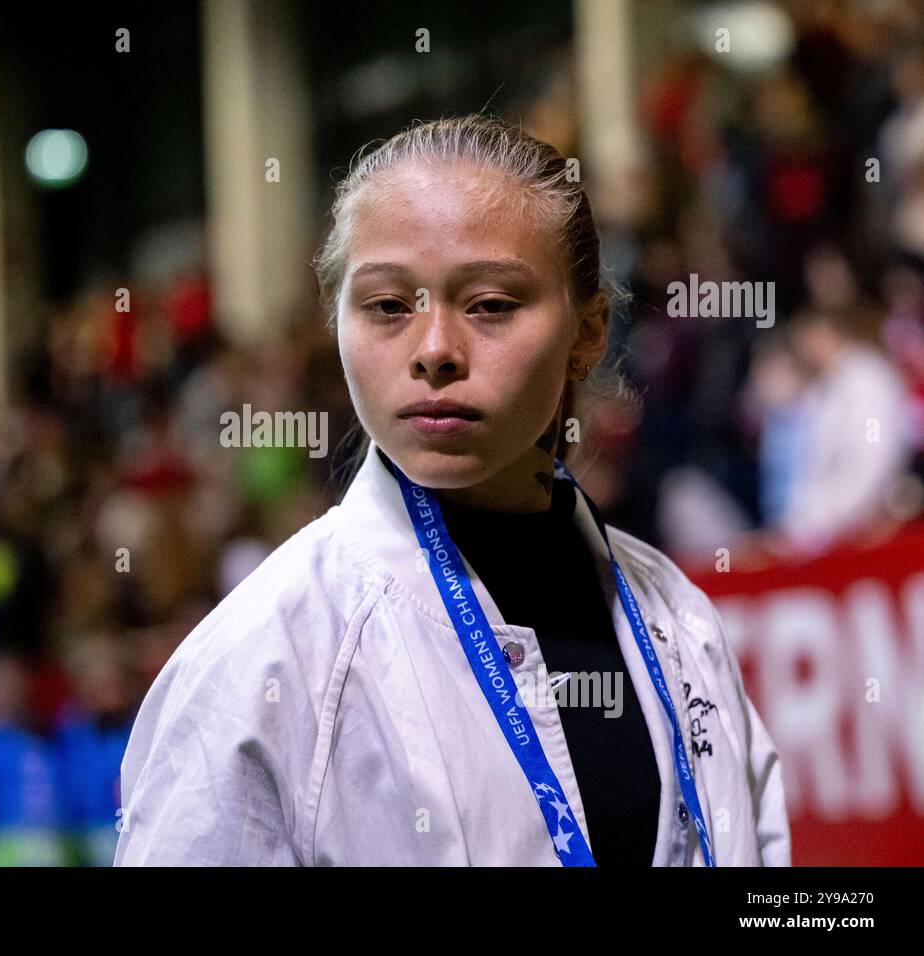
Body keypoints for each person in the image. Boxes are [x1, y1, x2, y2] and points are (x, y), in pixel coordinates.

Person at [113, 114, 791, 866]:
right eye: (388, 307)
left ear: (590, 330)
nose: (435, 350)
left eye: (492, 305)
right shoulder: (263, 664)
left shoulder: (679, 619)